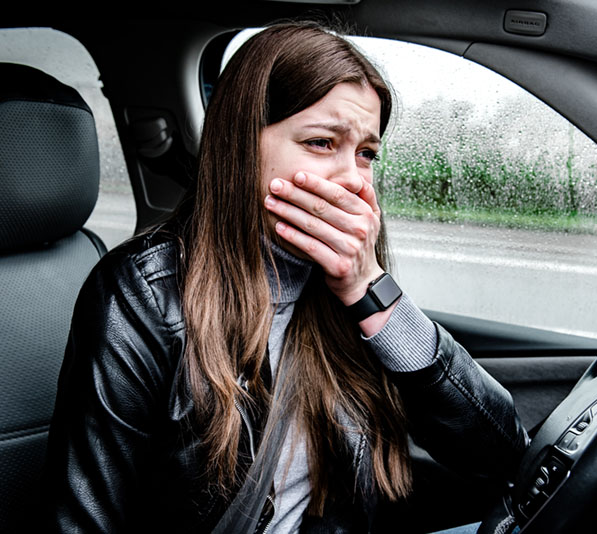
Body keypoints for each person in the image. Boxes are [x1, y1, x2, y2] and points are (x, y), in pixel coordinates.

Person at [44, 22, 528, 533]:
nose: (354, 180)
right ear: (242, 147)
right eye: (321, 143)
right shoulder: (143, 295)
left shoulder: (347, 290)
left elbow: (502, 460)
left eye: (367, 153)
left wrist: (370, 291)